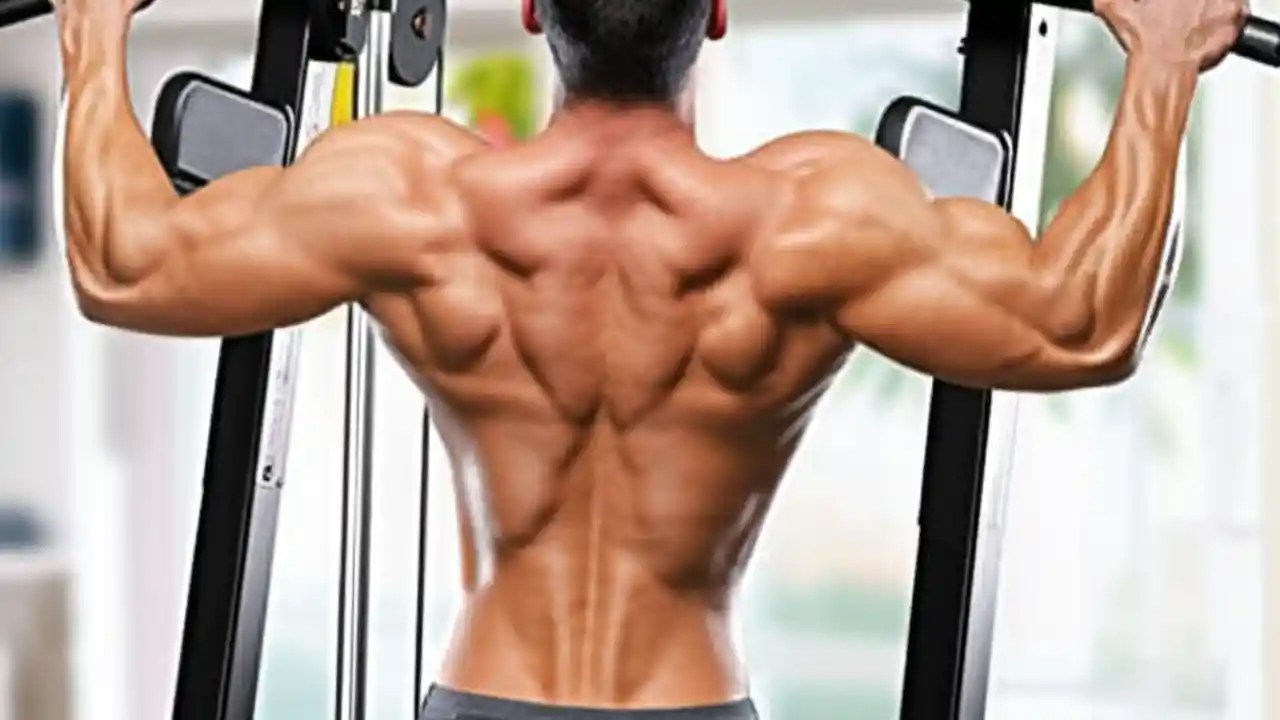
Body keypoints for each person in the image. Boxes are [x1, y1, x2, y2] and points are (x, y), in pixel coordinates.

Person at [52, 0, 1246, 717]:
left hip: (487, 695)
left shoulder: (413, 199)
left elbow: (125, 266)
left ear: (535, 11)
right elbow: (1079, 323)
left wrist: (94, 30)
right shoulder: (808, 221)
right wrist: (1159, 64)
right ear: (713, 13)